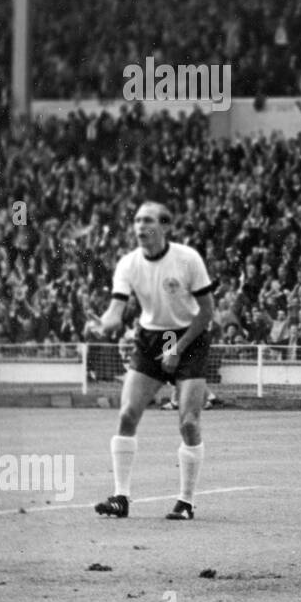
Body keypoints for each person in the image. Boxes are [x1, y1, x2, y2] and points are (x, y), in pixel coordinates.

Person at [85, 201, 215, 521]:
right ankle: (121, 497)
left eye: (148, 221)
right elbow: (115, 312)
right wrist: (103, 323)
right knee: (127, 414)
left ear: (164, 226)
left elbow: (208, 312)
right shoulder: (128, 264)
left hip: (190, 337)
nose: (140, 226)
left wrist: (178, 348)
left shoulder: (187, 259)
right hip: (150, 339)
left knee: (188, 422)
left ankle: (185, 502)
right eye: (137, 220)